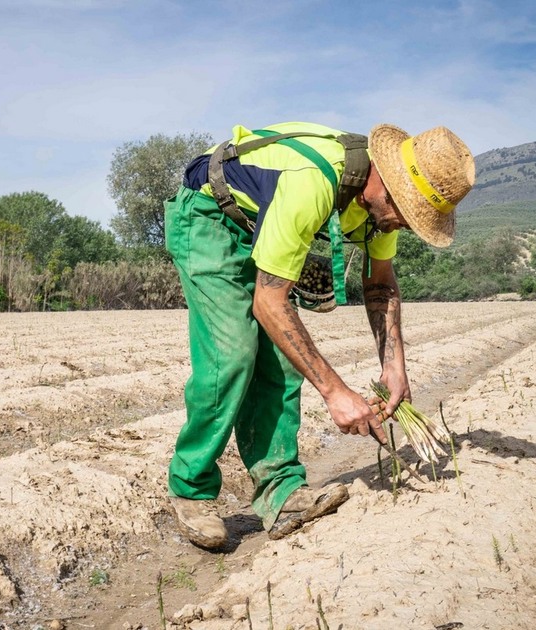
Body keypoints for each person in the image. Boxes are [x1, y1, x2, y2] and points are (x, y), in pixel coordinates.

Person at [163, 121, 476, 549]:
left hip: (261, 223)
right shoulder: (313, 183)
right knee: (232, 354)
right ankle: (191, 489)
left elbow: (380, 284)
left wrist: (395, 366)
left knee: (284, 365)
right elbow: (270, 304)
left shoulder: (379, 213)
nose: (404, 225)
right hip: (211, 218)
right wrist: (335, 392)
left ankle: (281, 492)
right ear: (384, 185)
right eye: (406, 212)